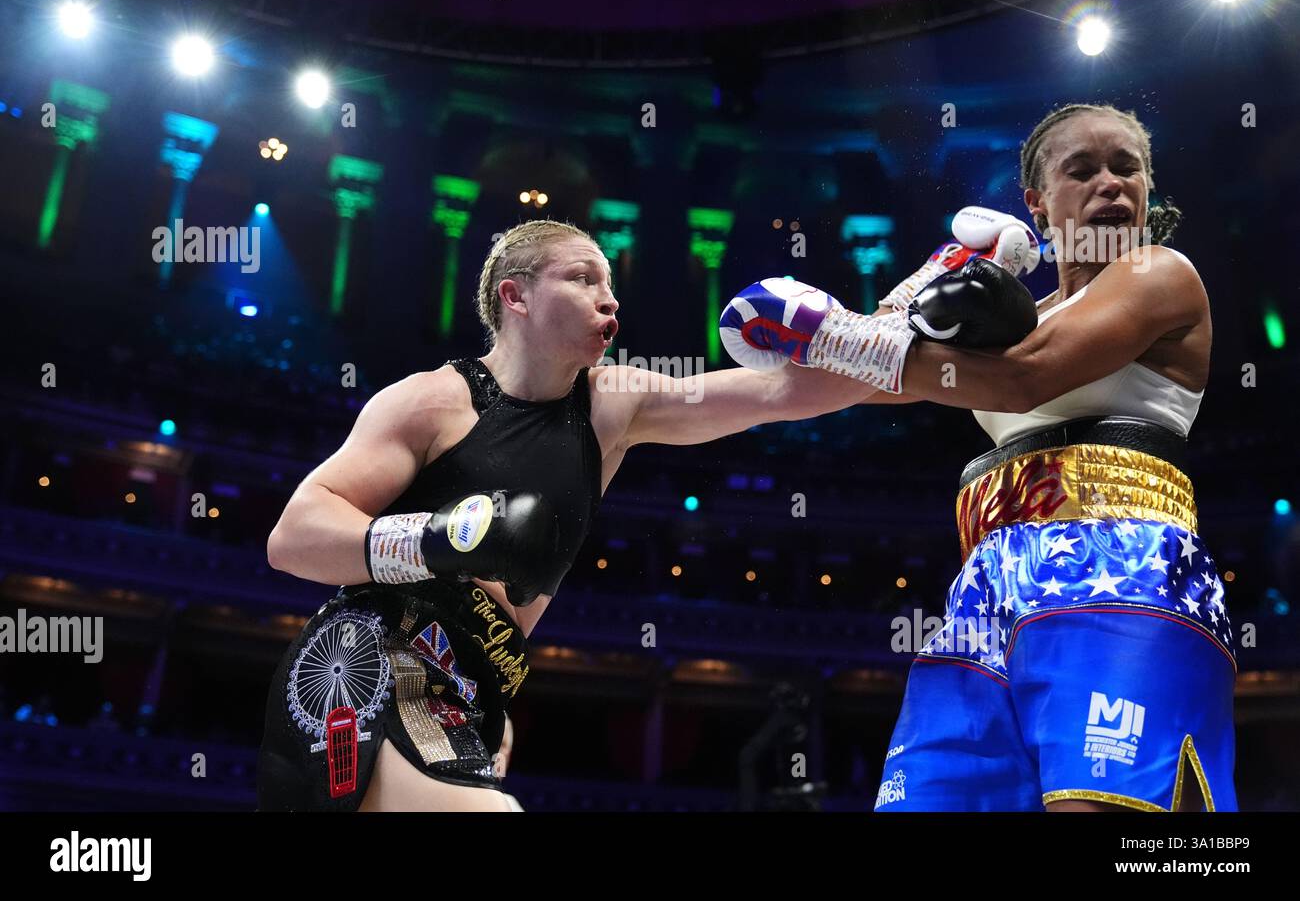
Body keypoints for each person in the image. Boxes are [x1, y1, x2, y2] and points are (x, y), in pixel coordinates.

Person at [257, 219, 1032, 811]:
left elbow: (788, 393)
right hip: (373, 657)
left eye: (612, 283)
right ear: (514, 295)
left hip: (480, 690)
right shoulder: (434, 399)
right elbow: (294, 537)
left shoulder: (614, 405)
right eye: (583, 278)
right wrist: (442, 538)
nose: (610, 296)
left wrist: (929, 285)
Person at [724, 103, 1232, 812]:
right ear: (1036, 201)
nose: (1111, 185)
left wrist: (827, 329)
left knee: (1095, 807)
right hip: (989, 580)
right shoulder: (1019, 321)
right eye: (1082, 170)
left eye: (1128, 168)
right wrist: (657, 397)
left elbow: (1025, 377)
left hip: (1122, 563)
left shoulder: (1159, 271)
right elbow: (842, 385)